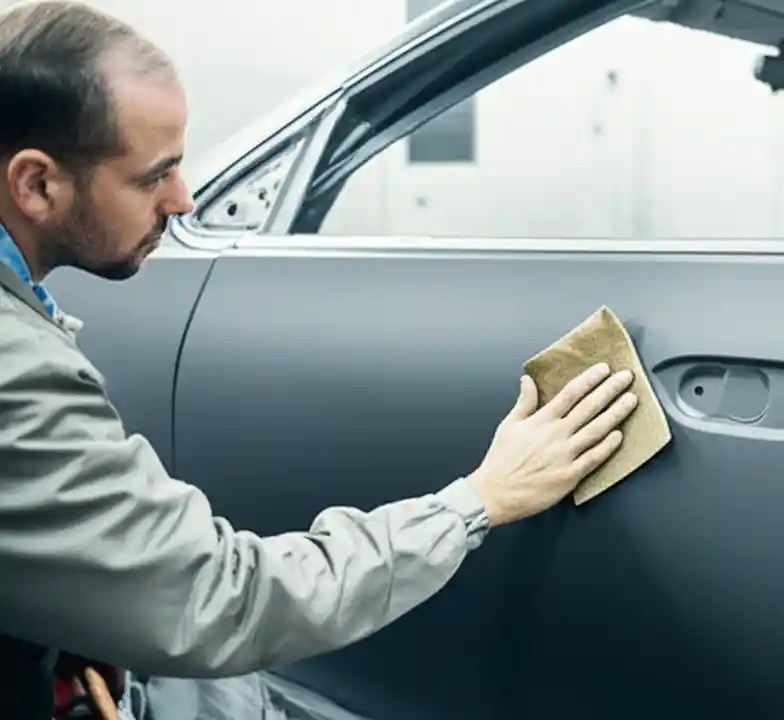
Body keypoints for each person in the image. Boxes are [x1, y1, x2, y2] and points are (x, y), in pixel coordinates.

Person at [0, 2, 639, 718]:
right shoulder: (17, 374)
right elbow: (218, 597)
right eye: (156, 176)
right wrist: (477, 501)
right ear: (37, 185)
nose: (184, 200)